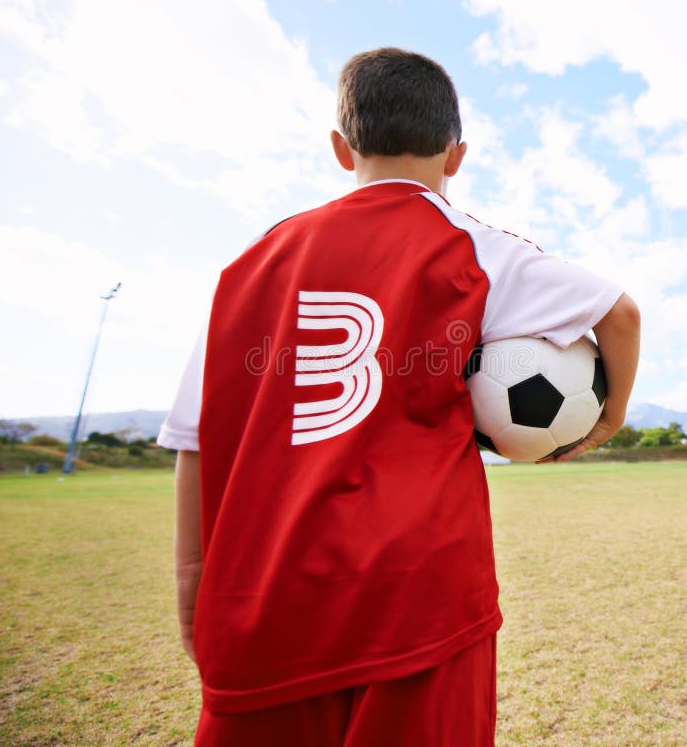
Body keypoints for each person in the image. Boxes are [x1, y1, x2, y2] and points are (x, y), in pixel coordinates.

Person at [158, 47, 640, 746]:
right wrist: (611, 415)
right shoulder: (475, 248)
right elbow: (619, 313)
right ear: (457, 155)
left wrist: (192, 581)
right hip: (422, 601)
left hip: (264, 602)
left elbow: (194, 437)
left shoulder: (253, 262)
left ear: (340, 148)